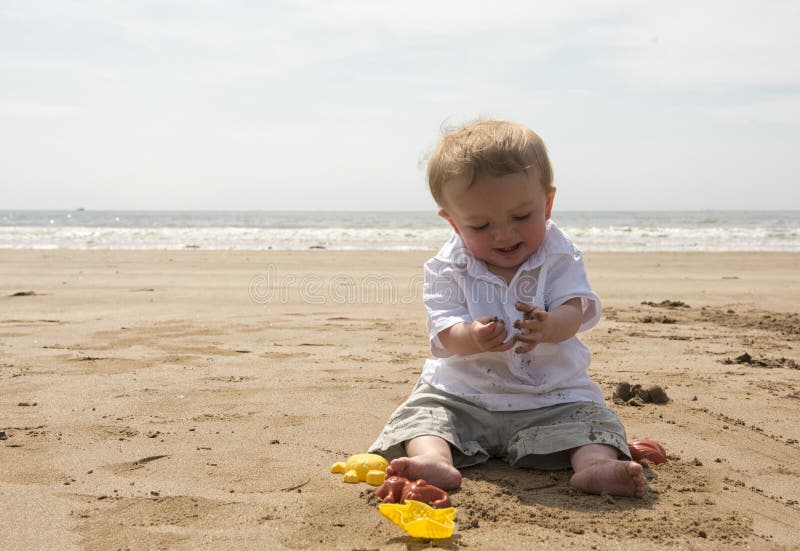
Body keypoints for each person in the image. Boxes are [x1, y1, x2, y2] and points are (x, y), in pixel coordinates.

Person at [368, 120, 646, 497]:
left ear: (547, 203)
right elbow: (445, 332)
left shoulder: (559, 255)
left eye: (521, 217)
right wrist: (473, 337)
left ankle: (595, 466)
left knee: (592, 421)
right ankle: (436, 460)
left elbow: (574, 308)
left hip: (552, 397)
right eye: (480, 225)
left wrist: (551, 326)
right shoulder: (446, 267)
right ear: (452, 221)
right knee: (424, 417)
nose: (503, 234)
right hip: (463, 397)